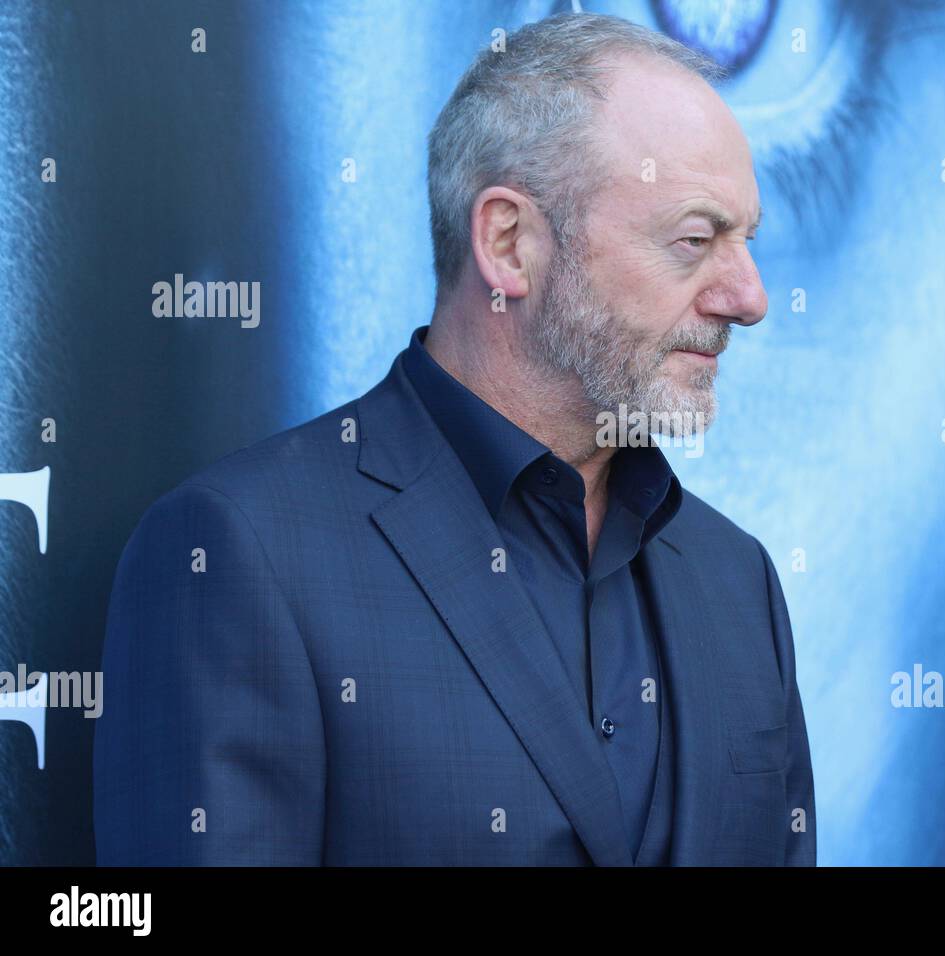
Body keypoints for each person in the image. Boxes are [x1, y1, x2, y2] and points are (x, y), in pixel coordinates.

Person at [93, 12, 815, 866]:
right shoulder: (243, 553)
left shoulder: (737, 580)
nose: (749, 298)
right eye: (694, 241)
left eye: (746, 242)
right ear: (509, 243)